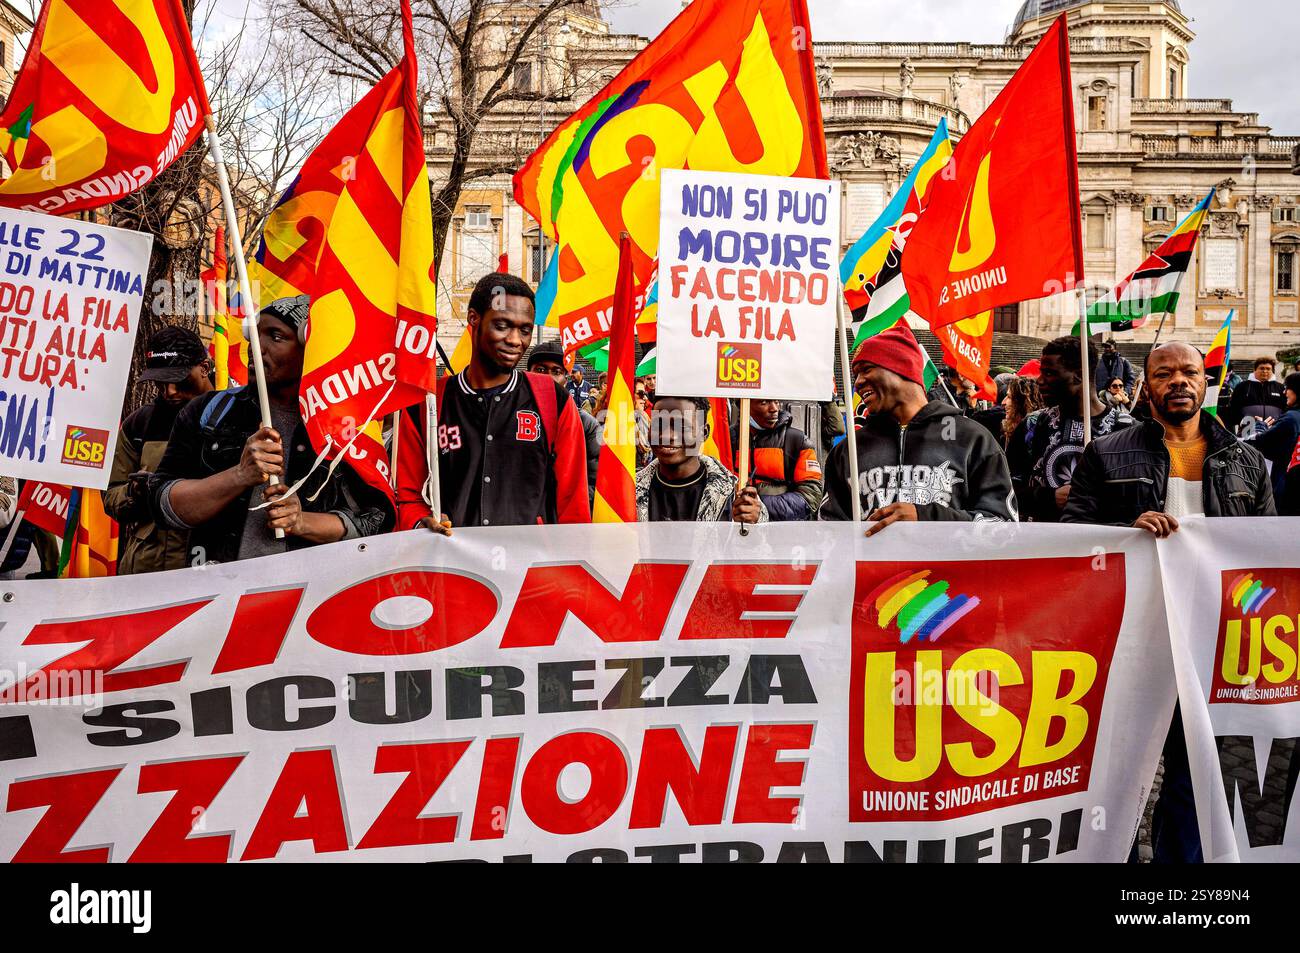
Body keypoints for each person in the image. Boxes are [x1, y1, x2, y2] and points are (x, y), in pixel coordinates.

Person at [1063, 342, 1274, 864]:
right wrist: (1125, 532)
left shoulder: (1248, 460)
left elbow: (1265, 549)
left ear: (1207, 381)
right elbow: (1072, 537)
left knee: (1194, 770)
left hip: (1212, 638)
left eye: (1190, 372)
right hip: (1132, 637)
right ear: (1146, 386)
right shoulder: (1105, 452)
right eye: (1164, 373)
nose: (1179, 381)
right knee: (1117, 767)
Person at [149, 296, 394, 563]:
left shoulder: (349, 424)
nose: (256, 346)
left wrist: (302, 522)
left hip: (310, 595)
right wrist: (239, 475)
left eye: (276, 336)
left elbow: (378, 519)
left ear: (311, 348)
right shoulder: (208, 411)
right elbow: (162, 505)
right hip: (217, 591)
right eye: (255, 334)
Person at [396, 273, 590, 532]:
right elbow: (407, 497)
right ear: (474, 318)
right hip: (452, 565)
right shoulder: (428, 404)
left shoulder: (553, 399)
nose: (515, 340)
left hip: (530, 566)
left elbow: (573, 503)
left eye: (525, 330)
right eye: (502, 325)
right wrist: (422, 522)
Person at [819, 325, 1017, 531]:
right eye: (856, 374)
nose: (858, 382)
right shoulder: (848, 449)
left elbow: (1004, 526)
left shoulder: (973, 439)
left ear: (901, 368)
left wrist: (927, 517)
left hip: (945, 564)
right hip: (872, 564)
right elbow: (828, 530)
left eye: (866, 369)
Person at [105, 327, 215, 574]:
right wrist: (134, 492)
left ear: (204, 369)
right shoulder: (138, 424)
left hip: (211, 567)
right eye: (160, 382)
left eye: (178, 379)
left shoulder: (235, 415)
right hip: (147, 569)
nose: (170, 392)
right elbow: (111, 497)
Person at [1008, 336, 1133, 523]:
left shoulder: (1126, 429)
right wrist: (1048, 498)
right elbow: (1005, 489)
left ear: (1078, 375)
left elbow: (1138, 496)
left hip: (1105, 546)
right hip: (1043, 544)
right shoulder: (1032, 425)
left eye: (1049, 373)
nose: (1039, 381)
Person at [637, 395, 765, 524]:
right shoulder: (630, 489)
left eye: (682, 427)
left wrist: (754, 525)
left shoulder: (734, 494)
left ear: (704, 432)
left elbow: (762, 542)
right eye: (658, 425)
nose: (666, 435)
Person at [528, 340, 601, 506]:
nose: (548, 377)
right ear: (527, 374)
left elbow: (595, 481)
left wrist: (556, 505)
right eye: (540, 369)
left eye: (556, 371)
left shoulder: (586, 424)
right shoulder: (511, 416)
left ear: (565, 379)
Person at [731, 399, 823, 521]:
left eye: (776, 401)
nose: (774, 408)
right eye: (764, 402)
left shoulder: (798, 441)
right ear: (744, 405)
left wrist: (760, 507)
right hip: (734, 532)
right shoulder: (727, 440)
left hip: (781, 533)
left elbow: (810, 496)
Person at [1245, 372, 1300, 513]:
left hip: (1287, 487)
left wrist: (1260, 427)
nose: (1284, 392)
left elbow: (1262, 444)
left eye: (1288, 387)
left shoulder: (1291, 418)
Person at [1226, 357, 1287, 433]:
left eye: (1268, 369)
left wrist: (1280, 423)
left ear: (1272, 371)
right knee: (1247, 445)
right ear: (1254, 370)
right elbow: (1233, 408)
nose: (1265, 371)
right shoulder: (1242, 387)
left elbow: (1286, 409)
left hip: (1274, 430)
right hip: (1247, 430)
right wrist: (1241, 421)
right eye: (1261, 368)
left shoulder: (1280, 388)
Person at [1001, 376, 1042, 449]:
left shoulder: (1038, 434)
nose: (1003, 402)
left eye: (1009, 397)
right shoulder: (1008, 431)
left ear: (1023, 402)